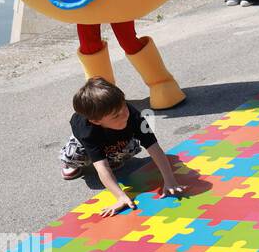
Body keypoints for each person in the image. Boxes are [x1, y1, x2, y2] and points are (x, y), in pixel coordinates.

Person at [59, 78, 186, 216]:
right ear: (96, 121)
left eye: (124, 106)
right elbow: (101, 167)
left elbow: (154, 147)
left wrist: (169, 179)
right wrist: (120, 196)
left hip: (117, 138)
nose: (124, 115)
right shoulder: (87, 131)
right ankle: (70, 163)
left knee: (128, 150)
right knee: (76, 155)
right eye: (116, 116)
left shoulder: (134, 116)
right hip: (84, 143)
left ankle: (112, 154)